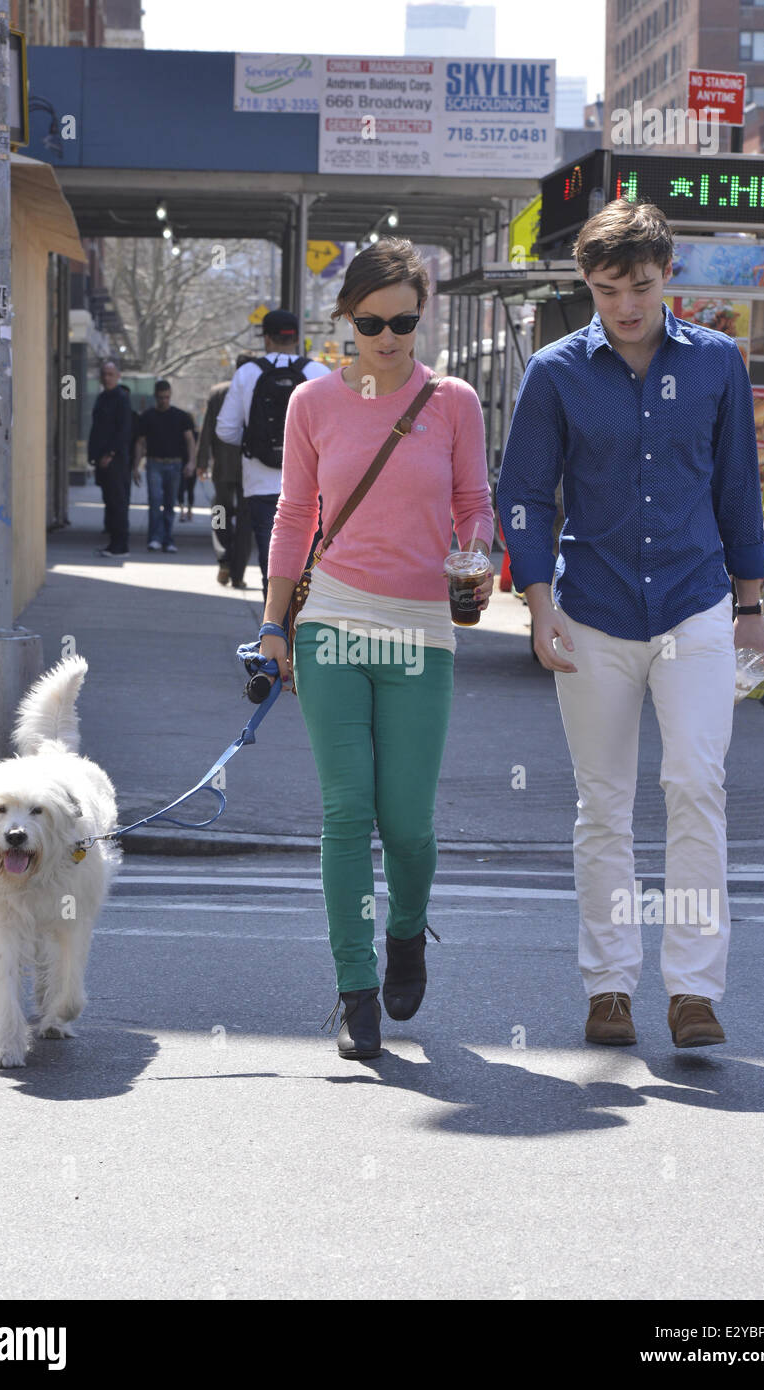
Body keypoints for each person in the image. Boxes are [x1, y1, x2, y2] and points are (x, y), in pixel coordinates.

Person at [496, 198, 764, 1051]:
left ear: (668, 275)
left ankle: (693, 991)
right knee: (604, 805)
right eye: (606, 289)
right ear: (585, 283)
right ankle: (610, 987)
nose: (625, 305)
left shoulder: (718, 361)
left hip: (696, 603)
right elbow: (524, 495)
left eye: (642, 286)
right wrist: (538, 605)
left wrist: (752, 607)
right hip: (593, 610)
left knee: (696, 784)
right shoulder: (555, 371)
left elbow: (737, 486)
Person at [259, 239, 494, 1059]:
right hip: (332, 621)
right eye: (370, 323)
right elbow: (295, 515)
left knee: (408, 824)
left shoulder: (454, 401)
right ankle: (355, 986)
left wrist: (477, 556)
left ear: (421, 318)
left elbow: (474, 501)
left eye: (403, 321)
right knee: (346, 811)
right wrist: (273, 625)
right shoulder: (313, 402)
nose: (388, 337)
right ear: (346, 320)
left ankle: (406, 934)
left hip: (423, 627)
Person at [215, 310, 330, 600]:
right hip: (311, 487)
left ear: (266, 338)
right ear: (297, 338)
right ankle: (302, 623)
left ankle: (274, 623)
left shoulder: (247, 373)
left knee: (274, 567)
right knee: (309, 569)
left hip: (261, 484)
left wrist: (254, 443)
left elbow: (225, 430)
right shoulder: (319, 373)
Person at [198, 356, 255, 588]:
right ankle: (238, 573)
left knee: (220, 512)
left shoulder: (218, 392)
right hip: (252, 469)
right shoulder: (259, 391)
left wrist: (202, 461)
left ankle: (224, 559)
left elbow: (207, 430)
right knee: (245, 521)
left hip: (223, 468)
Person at [133, 380, 196, 554]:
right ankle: (155, 538)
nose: (164, 401)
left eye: (166, 397)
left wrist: (191, 462)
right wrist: (136, 466)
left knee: (169, 502)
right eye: (161, 397)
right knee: (155, 501)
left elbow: (190, 440)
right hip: (154, 463)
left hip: (175, 464)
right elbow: (140, 442)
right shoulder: (148, 416)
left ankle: (167, 539)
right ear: (155, 396)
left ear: (170, 395)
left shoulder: (181, 416)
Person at [88, 360, 132, 557]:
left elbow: (123, 431)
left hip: (115, 460)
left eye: (111, 374)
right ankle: (114, 542)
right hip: (101, 459)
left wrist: (110, 454)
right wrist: (93, 455)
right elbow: (97, 429)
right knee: (110, 502)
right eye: (104, 374)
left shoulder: (121, 398)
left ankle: (120, 545)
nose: (107, 378)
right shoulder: (102, 398)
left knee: (117, 502)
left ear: (118, 376)